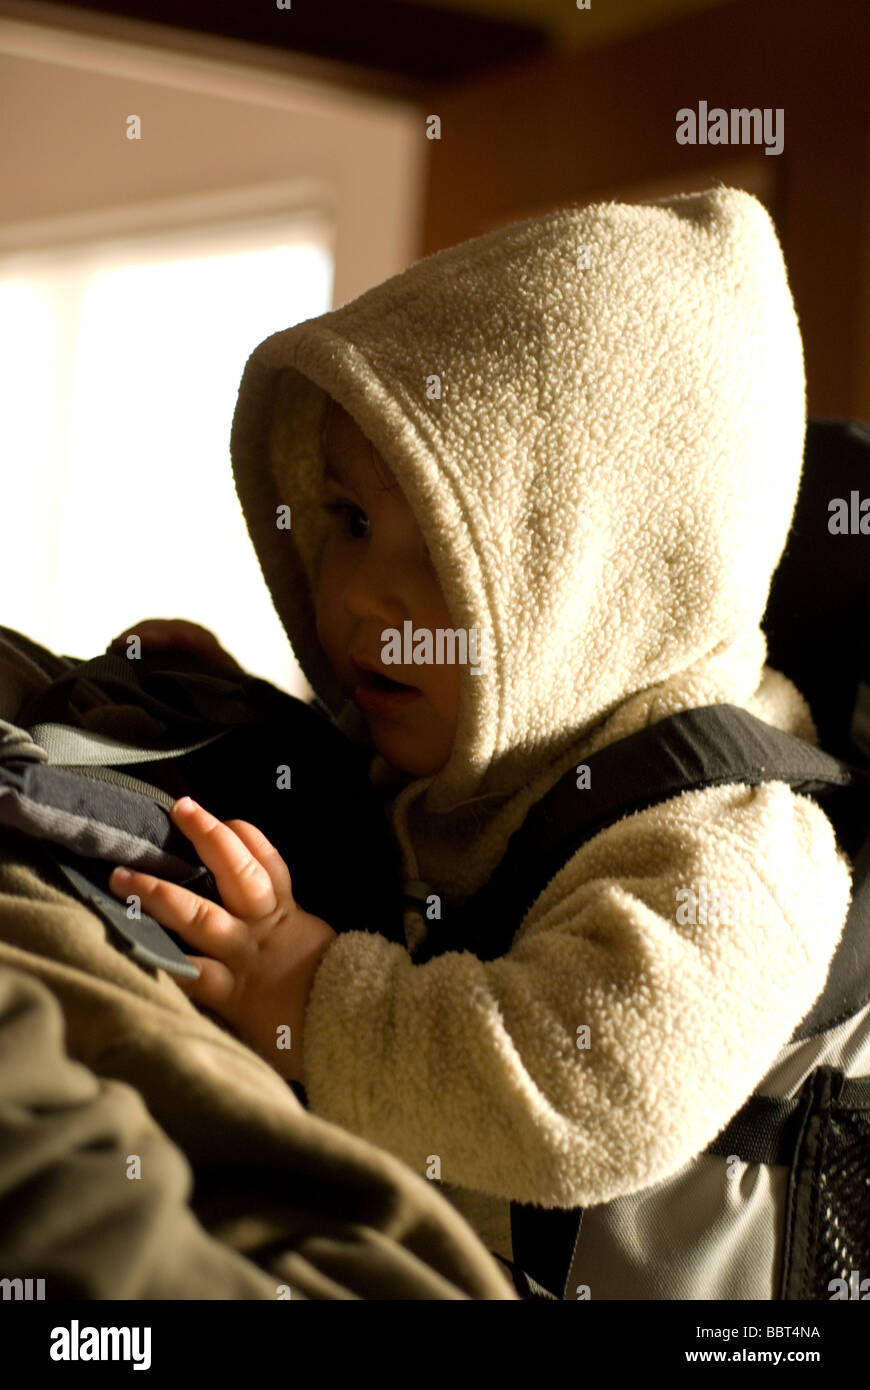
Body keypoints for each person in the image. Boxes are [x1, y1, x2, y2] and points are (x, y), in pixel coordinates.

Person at [104, 185, 853, 1298]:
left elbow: (597, 1093)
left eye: (450, 565)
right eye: (351, 520)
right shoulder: (494, 743)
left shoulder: (734, 846)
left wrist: (312, 996)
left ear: (602, 587)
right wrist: (241, 715)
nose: (361, 599)